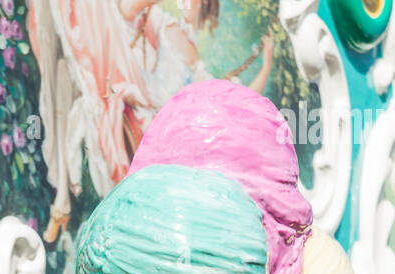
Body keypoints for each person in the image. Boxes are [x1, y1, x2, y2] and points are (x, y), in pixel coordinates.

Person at [30, 0, 275, 241]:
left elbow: (230, 100)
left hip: (154, 118)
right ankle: (63, 200)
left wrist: (265, 68)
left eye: (197, 5)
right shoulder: (157, 22)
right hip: (141, 106)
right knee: (66, 75)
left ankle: (68, 204)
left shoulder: (178, 43)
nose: (189, 7)